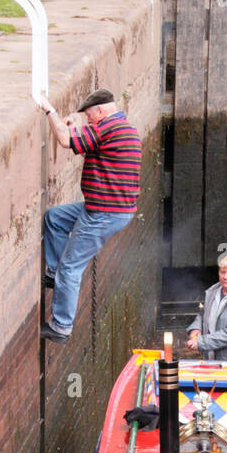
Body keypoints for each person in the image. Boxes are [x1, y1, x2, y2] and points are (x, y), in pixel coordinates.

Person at [37, 88, 141, 342]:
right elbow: (87, 147)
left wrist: (50, 111)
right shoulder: (122, 128)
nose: (89, 120)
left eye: (89, 116)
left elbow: (64, 141)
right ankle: (54, 274)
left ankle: (61, 327)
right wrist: (73, 129)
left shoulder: (108, 128)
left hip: (104, 213)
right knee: (55, 218)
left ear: (101, 111)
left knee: (71, 268)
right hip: (108, 209)